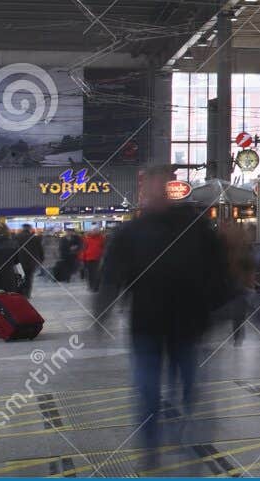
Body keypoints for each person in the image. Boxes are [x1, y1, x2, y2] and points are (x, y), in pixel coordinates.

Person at [97, 171, 230, 465]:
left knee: (189, 387)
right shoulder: (130, 233)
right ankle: (151, 448)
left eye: (160, 186)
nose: (155, 193)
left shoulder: (196, 229)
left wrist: (230, 303)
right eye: (150, 187)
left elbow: (218, 271)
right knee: (148, 392)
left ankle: (186, 439)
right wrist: (101, 312)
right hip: (148, 326)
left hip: (188, 326)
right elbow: (111, 276)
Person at [218, 218, 257, 343]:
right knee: (236, 309)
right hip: (233, 282)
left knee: (237, 309)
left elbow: (248, 264)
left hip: (236, 282)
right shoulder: (227, 244)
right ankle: (237, 333)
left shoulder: (238, 245)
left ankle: (237, 333)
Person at [15, 224, 43, 296]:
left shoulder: (17, 237)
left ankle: (20, 292)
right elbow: (40, 250)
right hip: (31, 261)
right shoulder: (34, 238)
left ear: (23, 228)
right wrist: (41, 259)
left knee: (20, 277)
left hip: (19, 261)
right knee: (29, 277)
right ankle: (27, 293)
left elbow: (14, 249)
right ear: (30, 229)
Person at [80, 226, 107, 292]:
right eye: (93, 230)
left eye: (96, 230)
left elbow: (104, 248)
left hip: (98, 259)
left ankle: (96, 287)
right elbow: (84, 249)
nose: (94, 232)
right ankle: (91, 286)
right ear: (91, 231)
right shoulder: (87, 239)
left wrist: (104, 256)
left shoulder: (102, 238)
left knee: (97, 273)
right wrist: (82, 258)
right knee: (90, 274)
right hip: (88, 259)